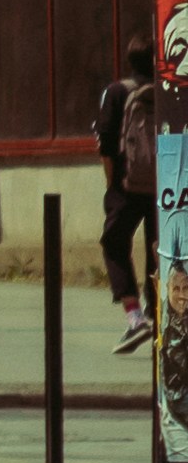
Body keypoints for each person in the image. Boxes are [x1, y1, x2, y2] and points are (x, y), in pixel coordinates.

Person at [99, 38, 153, 355]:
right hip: (164, 185)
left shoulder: (116, 91)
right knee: (160, 251)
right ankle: (161, 314)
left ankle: (134, 317)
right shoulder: (170, 91)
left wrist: (112, 184)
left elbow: (106, 145)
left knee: (114, 244)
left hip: (126, 186)